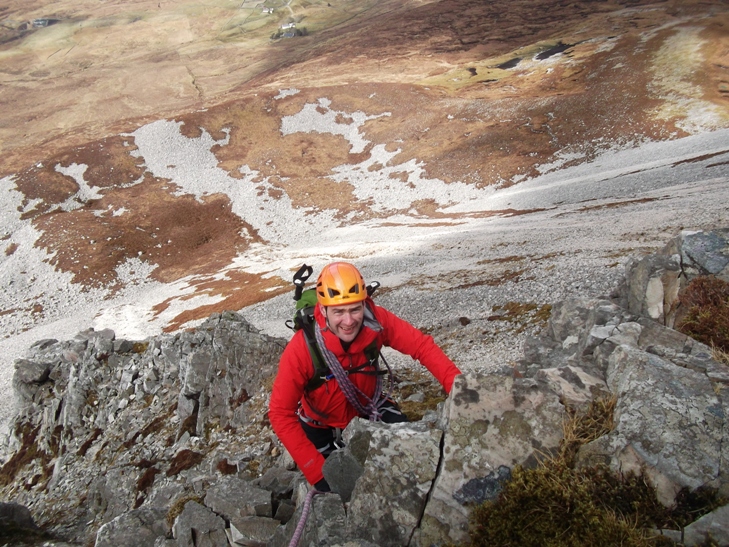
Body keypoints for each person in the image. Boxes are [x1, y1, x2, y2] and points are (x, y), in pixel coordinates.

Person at [268, 262, 461, 491]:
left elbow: (421, 347)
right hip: (319, 427)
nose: (348, 322)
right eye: (339, 311)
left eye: (355, 309)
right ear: (323, 310)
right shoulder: (302, 349)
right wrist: (316, 472)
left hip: (369, 409)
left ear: (364, 304)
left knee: (411, 460)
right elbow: (280, 413)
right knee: (337, 493)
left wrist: (460, 390)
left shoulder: (376, 322)